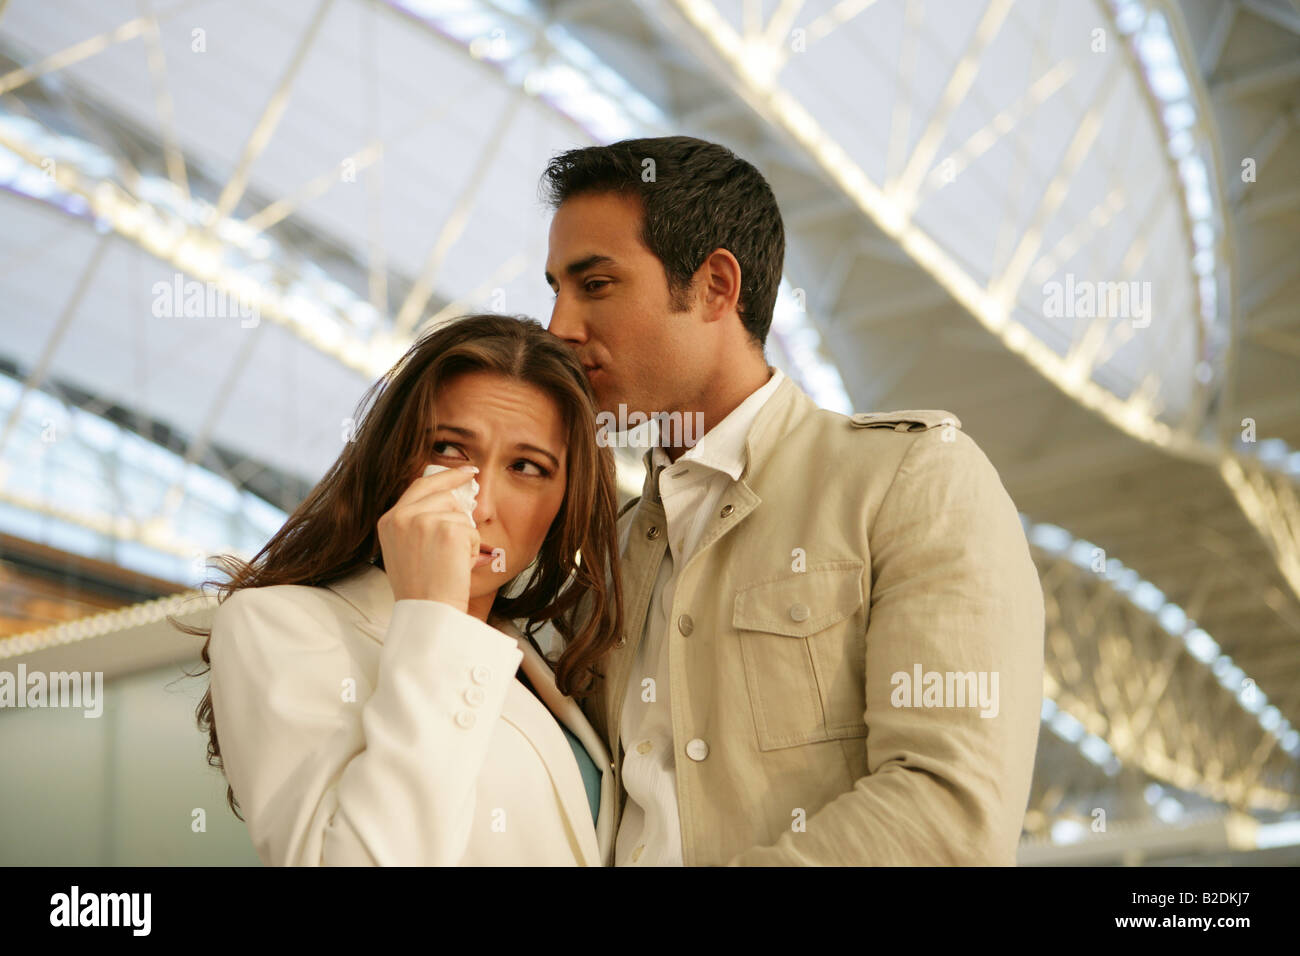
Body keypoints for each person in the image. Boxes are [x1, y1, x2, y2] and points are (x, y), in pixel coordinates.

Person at [540, 135, 1045, 866]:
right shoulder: (604, 557)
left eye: (594, 285)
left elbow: (948, 814)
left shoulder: (911, 482)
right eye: (555, 287)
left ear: (716, 285)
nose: (559, 327)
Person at [181, 314, 624, 865]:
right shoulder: (275, 623)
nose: (481, 505)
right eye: (449, 451)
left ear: (565, 499)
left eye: (527, 466)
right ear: (396, 458)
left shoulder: (541, 660)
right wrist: (431, 616)